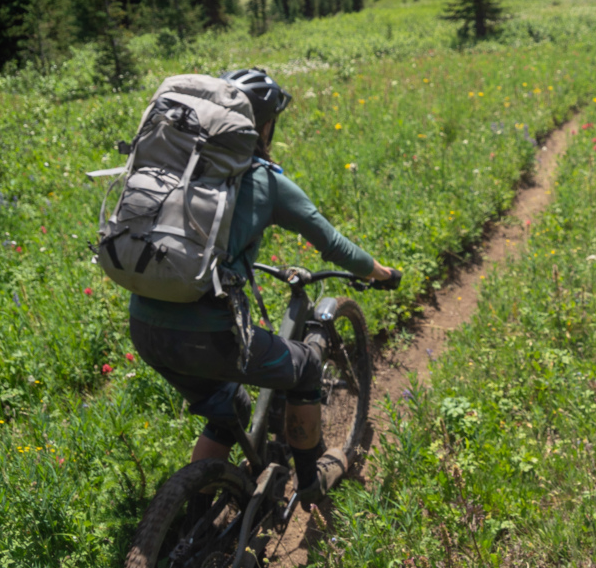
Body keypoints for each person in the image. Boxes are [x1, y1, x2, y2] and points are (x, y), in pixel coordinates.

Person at [127, 67, 400, 501]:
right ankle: (309, 483)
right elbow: (332, 243)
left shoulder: (178, 168)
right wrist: (378, 272)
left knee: (228, 406)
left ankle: (189, 511)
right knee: (307, 367)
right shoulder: (263, 179)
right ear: (265, 123)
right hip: (210, 336)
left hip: (144, 328)